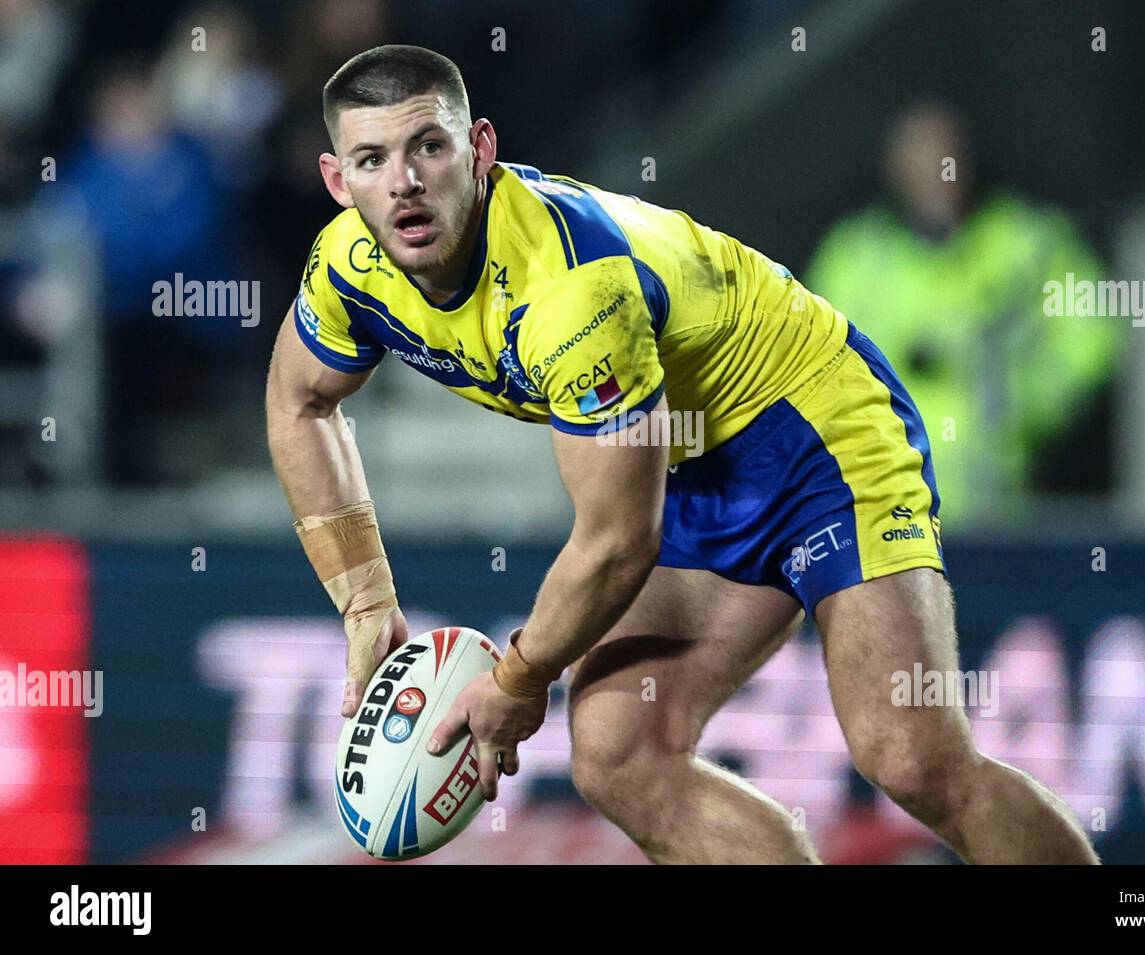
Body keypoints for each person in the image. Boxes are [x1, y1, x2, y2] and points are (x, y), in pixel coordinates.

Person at [265, 45, 1099, 864]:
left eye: (429, 148)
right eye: (372, 160)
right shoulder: (348, 266)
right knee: (618, 752)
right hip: (695, 458)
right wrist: (366, 599)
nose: (405, 182)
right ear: (339, 182)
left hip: (818, 428)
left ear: (480, 151)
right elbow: (297, 400)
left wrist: (519, 679)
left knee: (910, 756)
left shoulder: (571, 291)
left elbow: (618, 539)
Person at [805, 103, 1118, 521]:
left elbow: (1093, 338)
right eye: (920, 158)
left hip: (999, 507)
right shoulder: (857, 256)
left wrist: (1023, 401)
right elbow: (810, 361)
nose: (937, 172)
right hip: (883, 512)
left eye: (946, 157)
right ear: (894, 168)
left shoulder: (1027, 243)